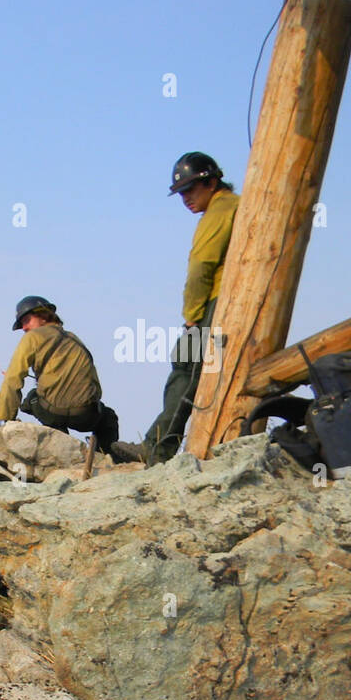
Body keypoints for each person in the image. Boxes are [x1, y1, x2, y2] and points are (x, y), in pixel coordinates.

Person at [114, 152, 240, 465]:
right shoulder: (228, 206)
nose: (185, 198)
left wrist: (193, 318)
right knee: (190, 372)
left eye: (190, 190)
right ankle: (159, 444)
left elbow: (201, 265)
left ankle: (158, 450)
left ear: (211, 182)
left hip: (212, 305)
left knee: (187, 373)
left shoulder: (220, 209)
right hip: (220, 303)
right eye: (181, 192)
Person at [0, 295, 123, 458]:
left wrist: (6, 422)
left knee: (31, 399)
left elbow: (12, 380)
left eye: (27, 320)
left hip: (53, 411)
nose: (24, 328)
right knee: (108, 417)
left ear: (43, 316)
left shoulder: (32, 338)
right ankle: (106, 458)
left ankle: (58, 437)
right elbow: (95, 385)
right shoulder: (74, 339)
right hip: (85, 414)